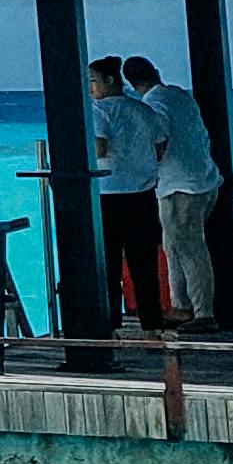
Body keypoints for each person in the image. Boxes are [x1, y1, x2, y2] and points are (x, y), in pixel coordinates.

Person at [124, 56, 221, 332]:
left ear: (130, 84)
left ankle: (203, 313)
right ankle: (181, 306)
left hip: (180, 186)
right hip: (204, 179)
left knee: (189, 249)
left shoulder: (153, 105)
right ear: (156, 72)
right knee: (174, 247)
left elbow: (159, 143)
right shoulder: (179, 96)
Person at [89, 55, 165, 328]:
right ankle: (152, 326)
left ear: (110, 81)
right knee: (144, 266)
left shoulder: (98, 111)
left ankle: (109, 325)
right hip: (143, 194)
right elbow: (159, 147)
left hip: (108, 195)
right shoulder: (144, 110)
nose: (90, 88)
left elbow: (99, 148)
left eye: (93, 81)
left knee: (108, 264)